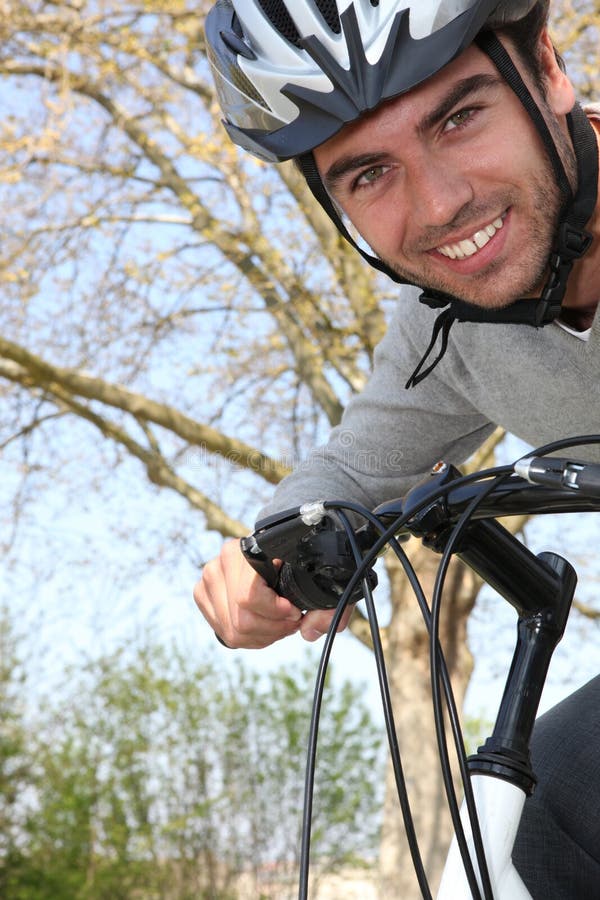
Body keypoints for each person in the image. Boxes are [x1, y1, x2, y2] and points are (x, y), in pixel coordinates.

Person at [195, 1, 600, 895]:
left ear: (548, 65)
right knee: (537, 834)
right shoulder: (446, 330)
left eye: (459, 117)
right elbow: (349, 471)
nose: (441, 203)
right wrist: (269, 559)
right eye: (370, 173)